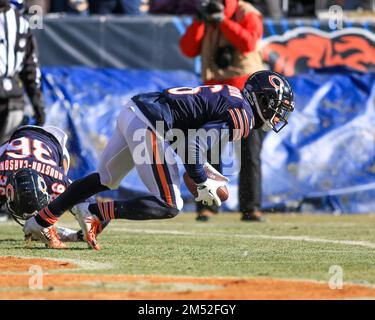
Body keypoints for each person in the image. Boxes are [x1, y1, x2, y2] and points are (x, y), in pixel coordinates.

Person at [23, 70, 295, 250]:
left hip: (134, 110)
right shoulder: (243, 116)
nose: (278, 117)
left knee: (105, 178)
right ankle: (97, 213)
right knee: (170, 204)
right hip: (151, 124)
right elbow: (192, 143)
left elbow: (185, 132)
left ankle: (41, 221)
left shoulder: (232, 94)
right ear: (265, 101)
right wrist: (200, 179)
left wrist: (199, 170)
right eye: (278, 109)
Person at [179, 0, 266, 221]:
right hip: (213, 95)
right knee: (208, 152)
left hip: (246, 94)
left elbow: (249, 43)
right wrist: (199, 21)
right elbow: (188, 49)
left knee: (250, 154)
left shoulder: (247, 13)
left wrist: (223, 21)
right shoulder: (205, 13)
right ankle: (207, 205)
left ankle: (251, 208)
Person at [0, 125, 108, 242]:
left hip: (53, 140)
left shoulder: (57, 180)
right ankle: (43, 223)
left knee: (75, 203)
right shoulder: (56, 181)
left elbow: (97, 212)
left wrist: (76, 235)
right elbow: (102, 217)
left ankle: (45, 223)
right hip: (17, 139)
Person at [0, 0, 45, 145]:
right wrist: (38, 106)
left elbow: (30, 67)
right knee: (5, 154)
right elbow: (31, 68)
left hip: (13, 101)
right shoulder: (21, 22)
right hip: (13, 98)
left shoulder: (21, 23)